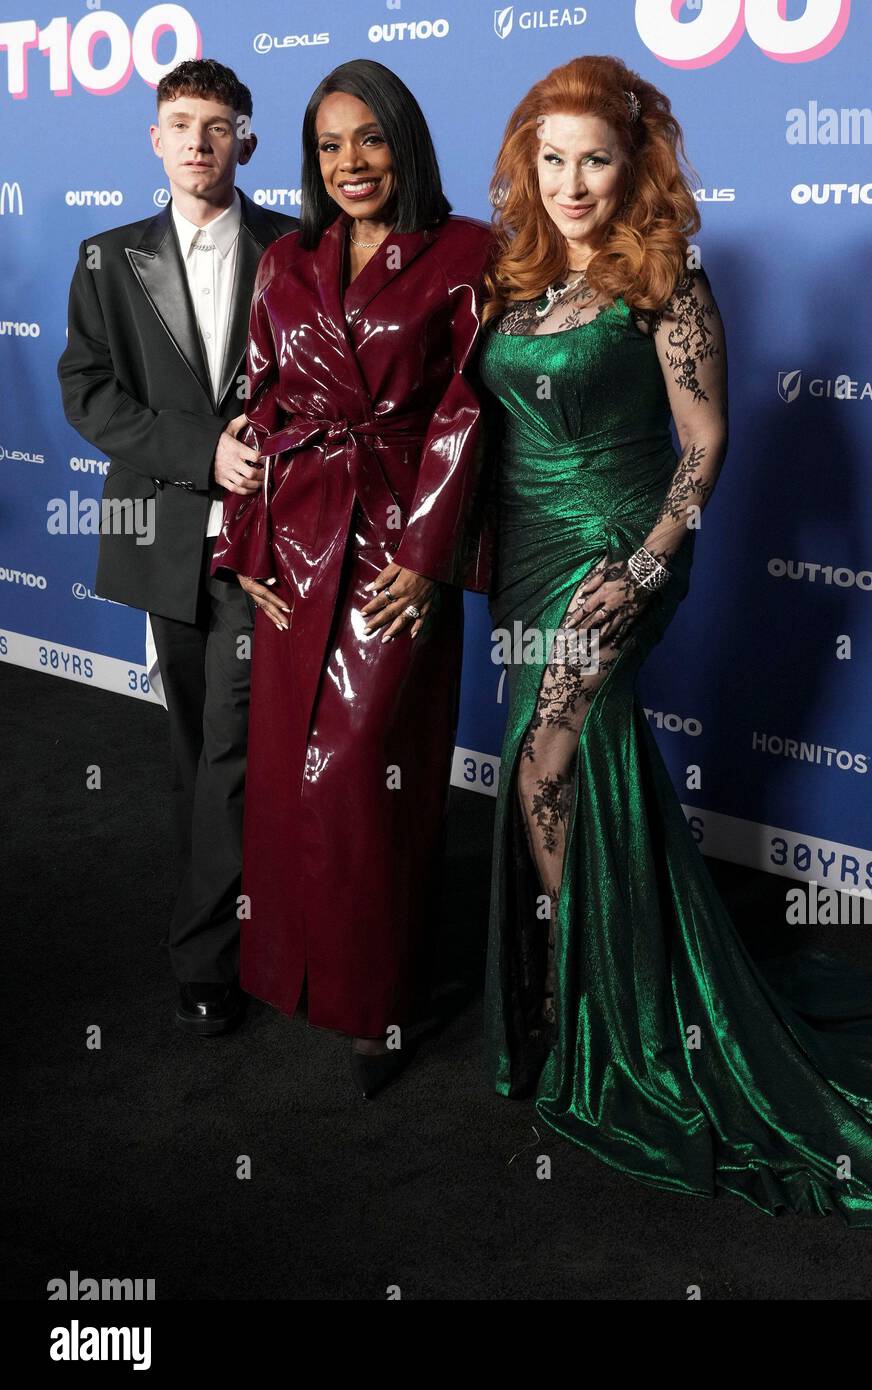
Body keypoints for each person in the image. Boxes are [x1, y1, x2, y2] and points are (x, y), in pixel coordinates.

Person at [478, 54, 872, 1227]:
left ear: (632, 162)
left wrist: (643, 564)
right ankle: (581, 983)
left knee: (551, 752)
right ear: (526, 165)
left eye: (593, 157)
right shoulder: (514, 279)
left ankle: (599, 1014)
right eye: (551, 158)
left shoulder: (664, 278)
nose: (572, 181)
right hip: (529, 553)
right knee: (565, 766)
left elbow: (703, 443)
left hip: (622, 543)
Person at [210, 60, 494, 1097]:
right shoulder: (287, 260)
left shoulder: (466, 254)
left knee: (374, 780)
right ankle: (287, 970)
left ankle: (377, 1000)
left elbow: (469, 411)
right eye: (328, 145)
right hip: (295, 539)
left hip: (394, 545)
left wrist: (426, 559)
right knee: (290, 775)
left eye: (367, 139)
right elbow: (259, 404)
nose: (348, 163)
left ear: (403, 142)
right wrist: (243, 545)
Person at [57, 58, 298, 1036]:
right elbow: (89, 394)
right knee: (198, 746)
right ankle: (245, 918)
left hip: (272, 540)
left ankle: (206, 957)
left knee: (237, 748)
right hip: (165, 537)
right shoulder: (104, 258)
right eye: (181, 123)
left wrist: (269, 455)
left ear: (248, 139)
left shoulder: (299, 246)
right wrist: (204, 450)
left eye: (219, 123)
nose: (199, 139)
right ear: (155, 140)